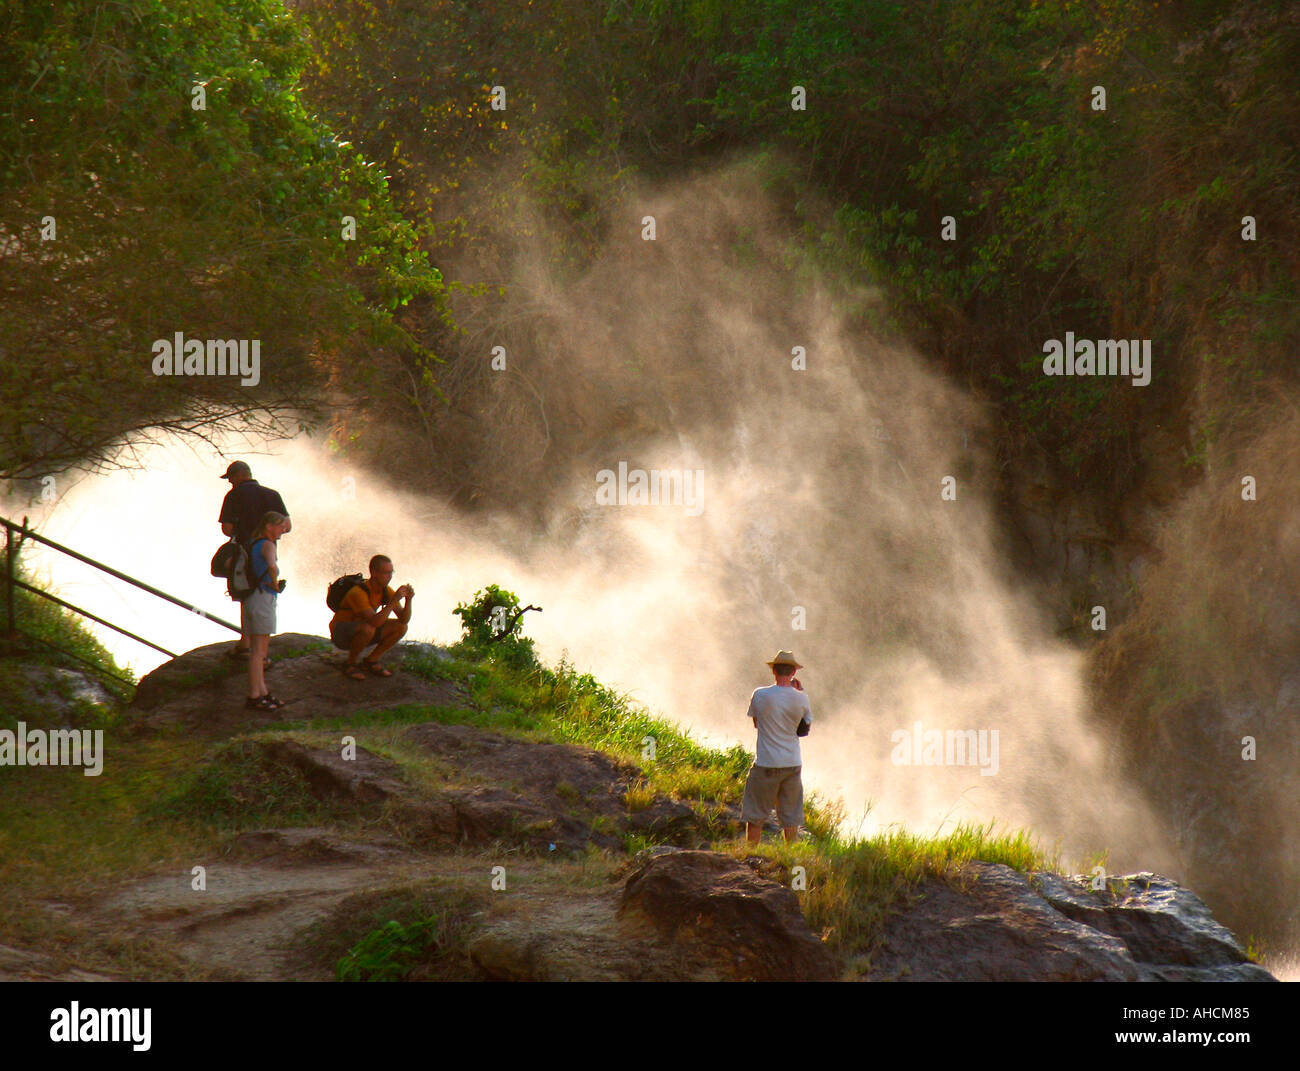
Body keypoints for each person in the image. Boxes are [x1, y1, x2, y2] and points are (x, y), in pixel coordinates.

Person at [218, 461, 291, 661]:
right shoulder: (272, 494)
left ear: (237, 476)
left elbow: (227, 529)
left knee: (244, 591)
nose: (230, 483)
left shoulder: (234, 496)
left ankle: (247, 644)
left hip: (244, 552)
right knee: (265, 590)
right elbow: (288, 525)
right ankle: (256, 645)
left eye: (230, 478)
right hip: (268, 551)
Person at [741, 650, 812, 844]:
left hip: (766, 763)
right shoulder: (802, 698)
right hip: (792, 762)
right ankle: (791, 857)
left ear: (773, 670)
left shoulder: (760, 694)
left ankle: (750, 855)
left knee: (756, 814)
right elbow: (803, 730)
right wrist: (799, 692)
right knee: (791, 816)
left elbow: (757, 723)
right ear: (793, 673)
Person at [329, 555, 413, 680]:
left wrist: (408, 600)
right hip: (341, 633)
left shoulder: (386, 590)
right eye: (386, 573)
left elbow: (404, 619)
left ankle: (371, 661)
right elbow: (375, 622)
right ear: (374, 572)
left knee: (401, 627)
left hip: (363, 628)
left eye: (391, 573)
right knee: (368, 628)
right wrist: (394, 600)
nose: (389, 577)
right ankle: (350, 664)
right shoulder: (358, 593)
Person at [244, 511, 290, 711]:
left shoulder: (254, 544)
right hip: (263, 596)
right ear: (269, 526)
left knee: (259, 650)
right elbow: (271, 565)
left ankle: (262, 691)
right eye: (280, 526)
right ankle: (255, 694)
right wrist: (275, 583)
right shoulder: (268, 545)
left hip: (253, 597)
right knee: (258, 652)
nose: (283, 529)